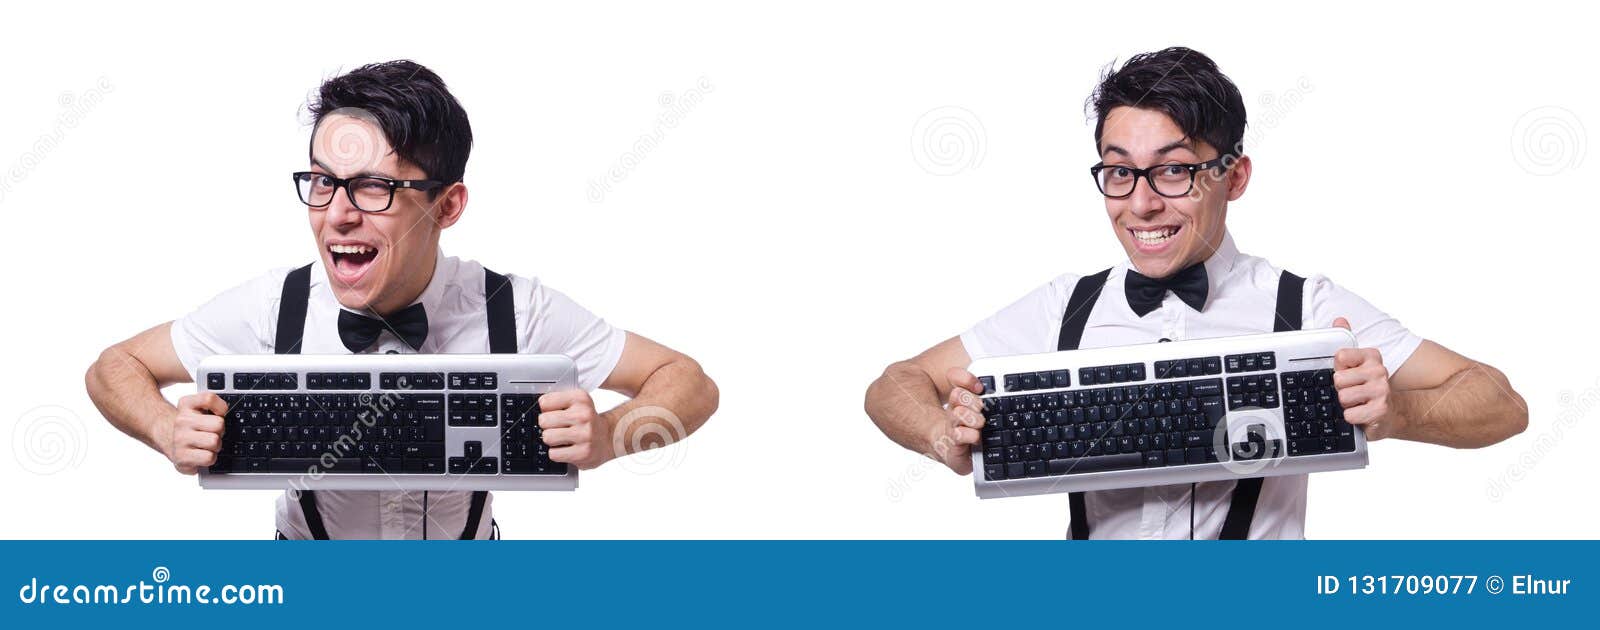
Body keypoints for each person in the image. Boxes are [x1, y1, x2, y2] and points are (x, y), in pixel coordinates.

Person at [862, 47, 1527, 539]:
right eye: (1120, 173)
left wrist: (1396, 415)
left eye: (1174, 170)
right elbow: (895, 383)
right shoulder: (1064, 308)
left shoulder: (1307, 307)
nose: (1142, 204)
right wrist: (937, 434)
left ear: (1234, 177)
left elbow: (1502, 404)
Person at [85, 60, 719, 539]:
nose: (336, 216)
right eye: (323, 183)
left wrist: (610, 433)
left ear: (447, 206)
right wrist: (165, 426)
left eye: (373, 189)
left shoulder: (513, 308)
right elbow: (114, 367)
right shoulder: (270, 307)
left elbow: (689, 383)